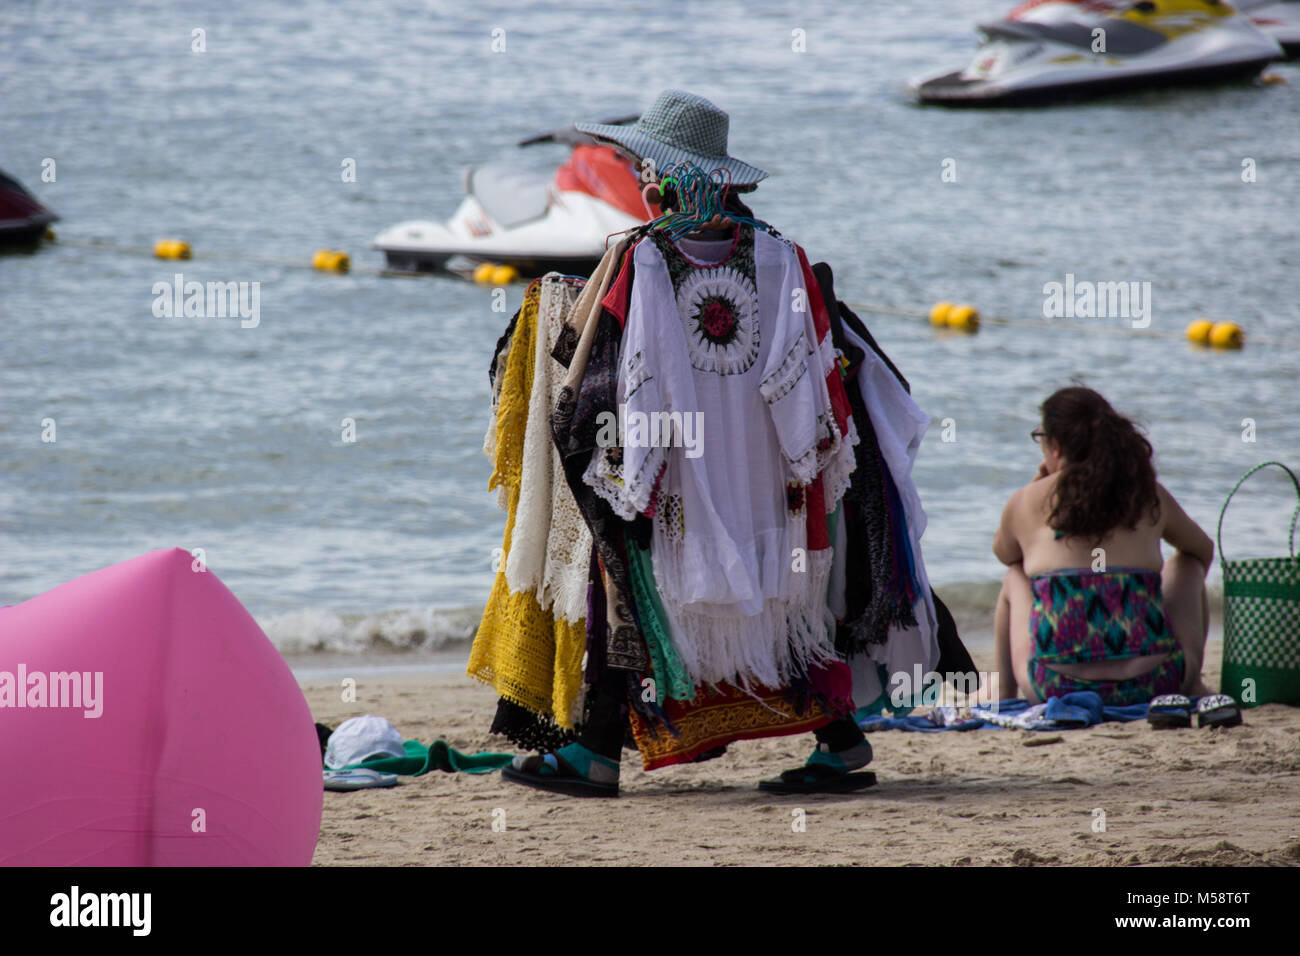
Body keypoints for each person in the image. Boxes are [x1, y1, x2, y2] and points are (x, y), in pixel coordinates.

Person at [992, 386, 1214, 706]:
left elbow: (1005, 554)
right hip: (1159, 682)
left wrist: (1034, 490)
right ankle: (1193, 684)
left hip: (1055, 687)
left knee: (1015, 575)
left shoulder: (1027, 500)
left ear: (1054, 446)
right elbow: (1202, 549)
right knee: (1188, 562)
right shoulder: (1147, 494)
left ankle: (1003, 694)